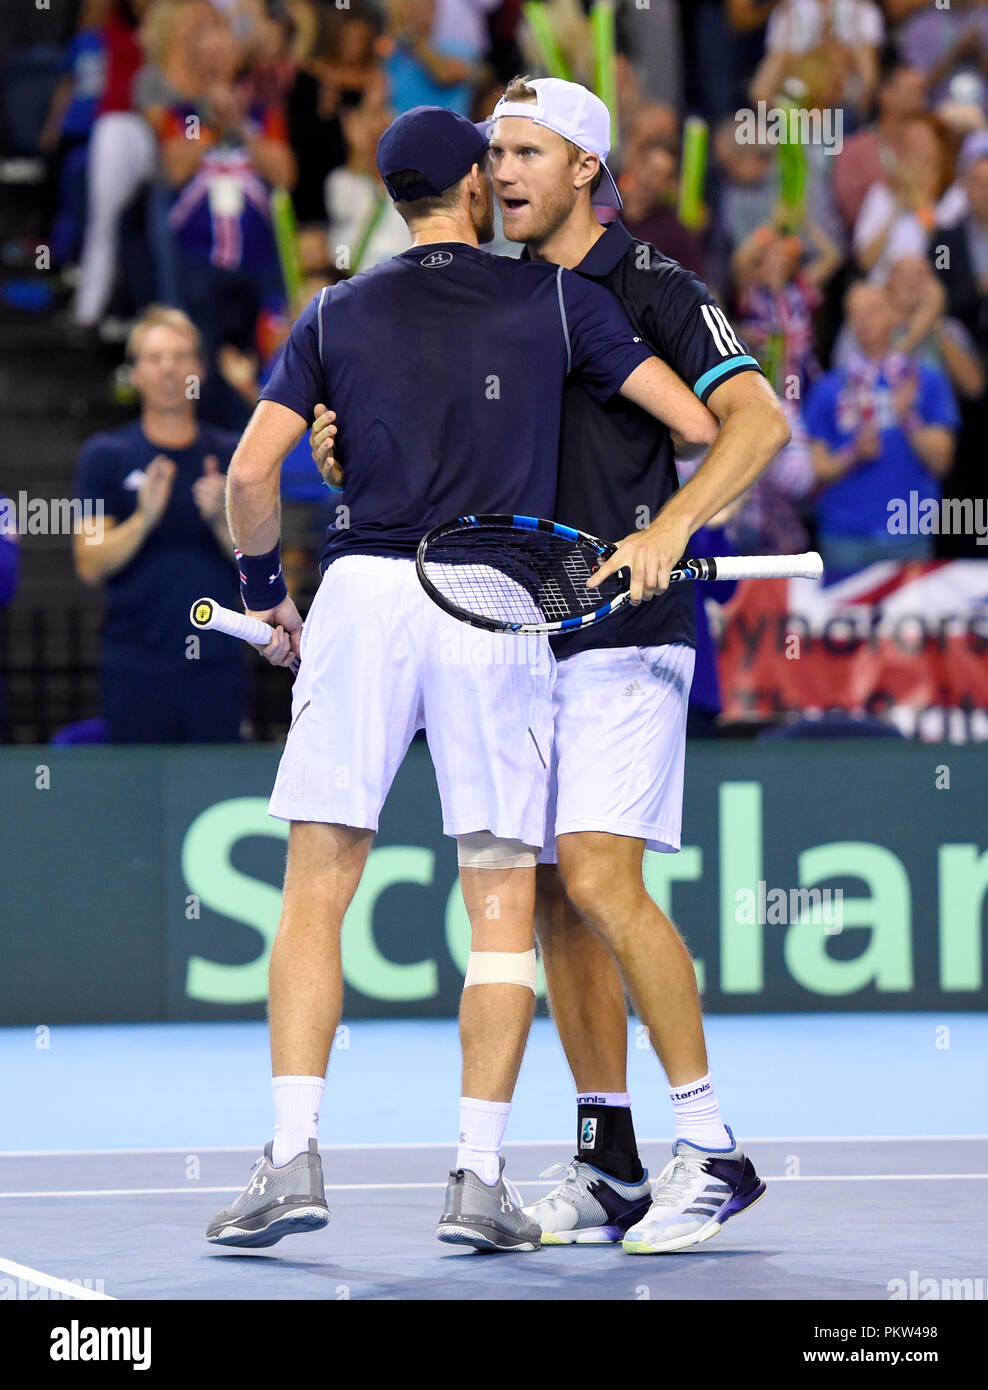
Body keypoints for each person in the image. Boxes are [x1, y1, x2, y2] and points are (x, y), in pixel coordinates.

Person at [205, 103, 721, 1254]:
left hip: (363, 596)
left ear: (391, 196)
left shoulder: (335, 309)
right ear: (475, 191)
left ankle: (292, 1155)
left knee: (315, 891)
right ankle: (476, 1177)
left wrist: (262, 594)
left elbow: (248, 473)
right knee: (501, 903)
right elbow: (691, 422)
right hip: (492, 603)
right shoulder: (554, 299)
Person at [312, 77, 792, 1255]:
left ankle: (712, 1147)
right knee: (559, 905)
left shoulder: (657, 287)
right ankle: (608, 1152)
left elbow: (757, 421)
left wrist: (671, 528)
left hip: (629, 632)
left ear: (586, 166)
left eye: (526, 150)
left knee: (598, 874)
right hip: (519, 636)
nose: (502, 170)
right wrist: (347, 452)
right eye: (493, 152)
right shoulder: (500, 293)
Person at [73, 305, 246, 741]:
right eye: (154, 358)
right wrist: (144, 519)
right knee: (137, 798)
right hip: (135, 665)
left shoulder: (234, 455)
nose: (169, 369)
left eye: (180, 356)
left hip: (219, 664)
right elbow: (89, 560)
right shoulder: (105, 456)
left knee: (213, 798)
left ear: (200, 370)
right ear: (136, 373)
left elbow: (273, 564)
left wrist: (223, 521)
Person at [804, 281, 959, 570]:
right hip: (844, 534)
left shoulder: (925, 379)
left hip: (908, 533)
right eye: (855, 314)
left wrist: (908, 417)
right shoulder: (829, 387)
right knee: (846, 615)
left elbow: (942, 461)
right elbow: (817, 469)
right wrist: (853, 454)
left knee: (910, 617)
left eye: (872, 310)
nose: (864, 321)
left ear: (893, 314)